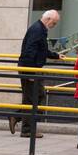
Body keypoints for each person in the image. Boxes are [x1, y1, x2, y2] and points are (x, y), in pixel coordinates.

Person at [11, 9, 63, 138]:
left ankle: (16, 116)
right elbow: (29, 51)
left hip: (32, 69)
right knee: (32, 98)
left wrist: (56, 56)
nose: (54, 26)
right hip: (30, 69)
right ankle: (27, 130)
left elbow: (42, 50)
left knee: (38, 95)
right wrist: (30, 73)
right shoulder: (37, 30)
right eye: (54, 23)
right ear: (48, 19)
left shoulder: (40, 29)